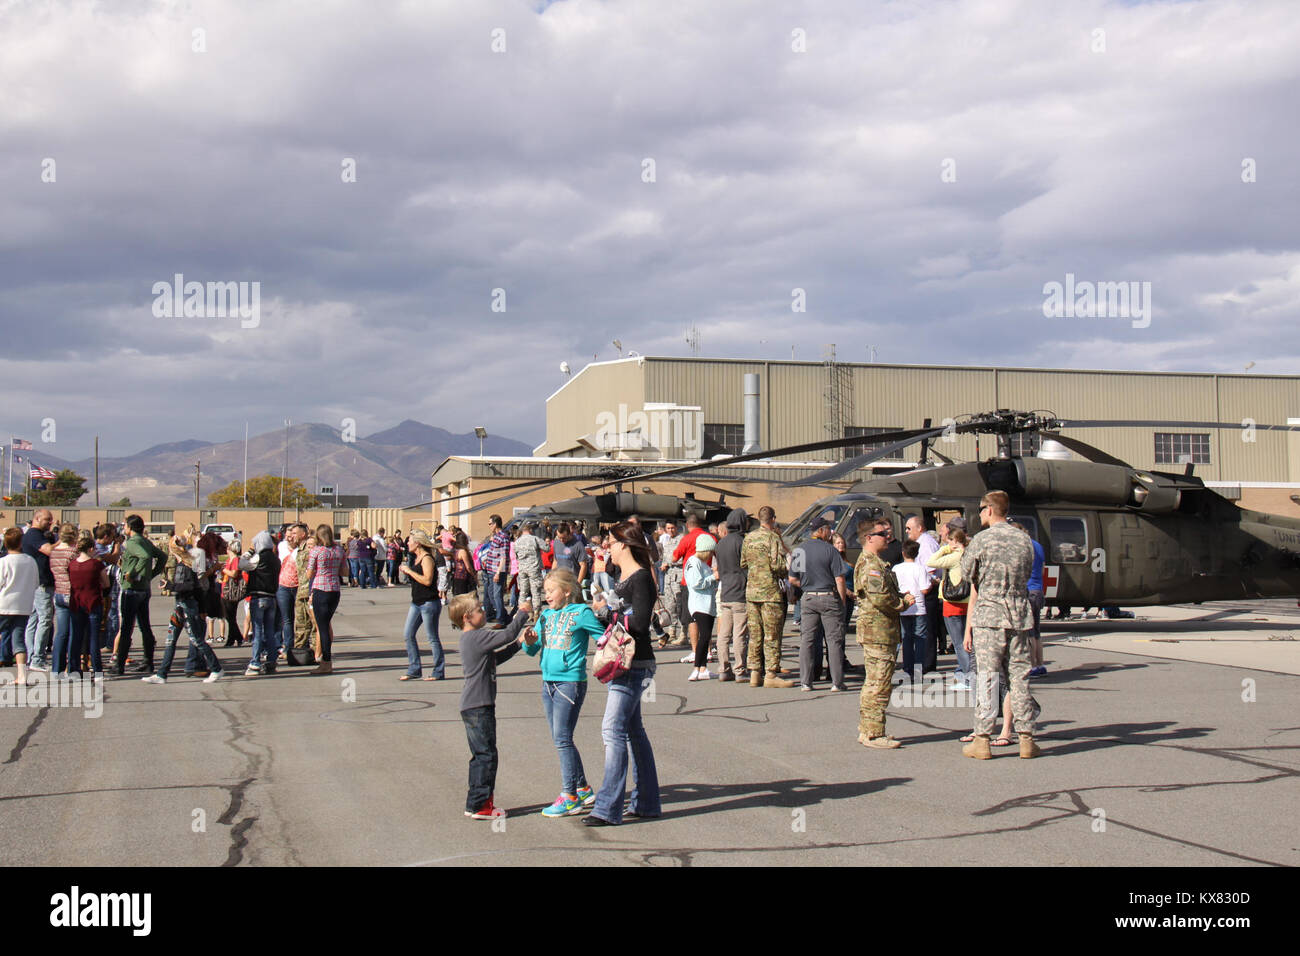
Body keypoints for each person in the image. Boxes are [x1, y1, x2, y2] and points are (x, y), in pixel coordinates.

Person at [584, 521, 662, 826]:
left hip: (635, 662)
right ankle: (647, 803)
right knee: (632, 731)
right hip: (624, 660)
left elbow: (640, 624)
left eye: (611, 543)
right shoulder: (624, 576)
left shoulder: (641, 579)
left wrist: (608, 612)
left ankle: (607, 808)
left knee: (611, 730)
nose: (607, 548)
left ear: (625, 545)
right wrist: (605, 610)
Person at [959, 491, 1042, 760]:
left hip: (989, 617)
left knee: (988, 677)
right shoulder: (1025, 540)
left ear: (991, 510)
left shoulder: (982, 540)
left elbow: (966, 573)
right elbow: (1029, 573)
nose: (980, 514)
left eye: (981, 509)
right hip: (1019, 615)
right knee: (1019, 677)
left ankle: (982, 739)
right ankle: (1027, 738)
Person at [521, 569, 603, 817]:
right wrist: (528, 640)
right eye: (545, 591)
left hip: (570, 682)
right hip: (548, 682)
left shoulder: (581, 613)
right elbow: (531, 650)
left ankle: (569, 796)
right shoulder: (545, 616)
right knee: (561, 737)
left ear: (567, 590)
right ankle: (582, 788)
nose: (547, 596)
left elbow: (603, 638)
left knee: (562, 738)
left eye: (551, 591)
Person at [450, 592, 533, 820]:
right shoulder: (475, 637)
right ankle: (481, 805)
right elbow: (506, 634)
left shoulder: (474, 639)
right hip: (478, 705)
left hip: (476, 705)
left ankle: (475, 803)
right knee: (486, 755)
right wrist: (522, 613)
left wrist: (519, 644)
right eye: (479, 610)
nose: (484, 611)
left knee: (481, 755)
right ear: (467, 617)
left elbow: (495, 658)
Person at [855, 517, 915, 748]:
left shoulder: (876, 562)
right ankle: (874, 733)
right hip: (878, 631)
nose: (887, 537)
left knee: (874, 682)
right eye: (882, 534)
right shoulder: (871, 565)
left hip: (880, 630)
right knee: (879, 683)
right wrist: (903, 603)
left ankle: (868, 729)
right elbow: (880, 598)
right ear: (869, 538)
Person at [144, 533, 224, 684]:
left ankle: (216, 668)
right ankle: (162, 674)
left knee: (197, 640)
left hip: (188, 607)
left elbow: (192, 586)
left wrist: (170, 586)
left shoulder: (187, 565)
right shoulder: (184, 564)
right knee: (171, 640)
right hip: (180, 606)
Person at [790, 517, 848, 692]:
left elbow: (793, 578)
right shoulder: (830, 550)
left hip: (808, 598)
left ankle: (806, 682)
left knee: (807, 640)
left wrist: (807, 585)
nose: (830, 533)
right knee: (833, 640)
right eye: (828, 530)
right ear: (821, 531)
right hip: (828, 595)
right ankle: (837, 682)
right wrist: (842, 601)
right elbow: (839, 578)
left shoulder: (800, 550)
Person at [741, 506, 793, 688]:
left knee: (755, 634)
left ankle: (755, 672)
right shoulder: (773, 538)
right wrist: (787, 566)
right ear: (773, 519)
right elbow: (777, 565)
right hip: (770, 592)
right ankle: (770, 673)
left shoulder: (749, 538)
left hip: (752, 592)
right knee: (772, 634)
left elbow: (743, 562)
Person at [113, 514, 167, 675]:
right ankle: (148, 661)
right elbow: (162, 556)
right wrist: (151, 574)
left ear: (130, 527)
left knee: (126, 627)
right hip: (144, 588)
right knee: (145, 626)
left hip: (131, 588)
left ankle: (119, 665)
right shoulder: (145, 541)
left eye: (125, 525)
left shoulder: (133, 542)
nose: (124, 528)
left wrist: (132, 572)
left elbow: (144, 556)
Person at [927, 525, 971, 689]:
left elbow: (931, 562)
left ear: (955, 541)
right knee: (968, 641)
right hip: (968, 601)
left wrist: (945, 550)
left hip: (953, 602)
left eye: (949, 540)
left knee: (959, 643)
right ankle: (968, 673)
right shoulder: (969, 555)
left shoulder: (954, 557)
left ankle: (968, 677)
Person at [399, 529, 445, 680]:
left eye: (410, 541)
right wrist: (408, 571)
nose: (407, 543)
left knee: (432, 638)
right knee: (408, 634)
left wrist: (410, 572)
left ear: (417, 543)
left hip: (429, 603)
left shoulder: (427, 558)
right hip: (417, 602)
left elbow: (427, 580)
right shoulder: (416, 558)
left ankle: (438, 671)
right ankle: (414, 668)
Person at [0, 526, 39, 686]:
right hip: (23, 605)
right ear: (21, 542)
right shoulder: (30, 561)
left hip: (4, 604)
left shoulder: (3, 562)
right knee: (19, 639)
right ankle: (22, 675)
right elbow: (36, 583)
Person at [66, 532, 109, 679]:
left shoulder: (72, 565)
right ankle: (96, 669)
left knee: (76, 636)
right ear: (91, 549)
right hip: (93, 601)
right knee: (93, 637)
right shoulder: (96, 564)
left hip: (76, 602)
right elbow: (106, 583)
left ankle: (73, 668)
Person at [713, 508, 749, 682]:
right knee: (739, 633)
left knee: (723, 634)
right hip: (740, 591)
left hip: (725, 590)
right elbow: (747, 566)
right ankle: (740, 669)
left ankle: (723, 668)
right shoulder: (742, 542)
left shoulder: (721, 543)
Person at [239, 531, 281, 677]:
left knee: (257, 631)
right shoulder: (276, 559)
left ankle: (255, 663)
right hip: (272, 597)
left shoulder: (258, 557)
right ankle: (271, 661)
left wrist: (248, 552)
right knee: (270, 631)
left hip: (258, 596)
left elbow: (242, 564)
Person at [905, 514, 944, 668]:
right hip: (924, 590)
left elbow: (930, 570)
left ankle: (927, 665)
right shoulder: (921, 542)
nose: (907, 531)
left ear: (919, 528)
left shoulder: (925, 544)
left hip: (927, 591)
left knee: (927, 630)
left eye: (909, 528)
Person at [305, 525, 344, 675]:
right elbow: (345, 571)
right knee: (326, 624)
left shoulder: (316, 551)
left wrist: (317, 569)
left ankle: (326, 661)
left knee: (322, 628)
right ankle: (325, 660)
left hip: (320, 588)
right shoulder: (339, 550)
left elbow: (309, 574)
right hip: (334, 589)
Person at [21, 508, 56, 672]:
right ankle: (37, 659)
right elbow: (49, 550)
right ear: (37, 519)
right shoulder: (34, 534)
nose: (50, 523)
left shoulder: (37, 535)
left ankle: (31, 657)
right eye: (47, 520)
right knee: (44, 620)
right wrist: (63, 542)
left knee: (33, 621)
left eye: (51, 520)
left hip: (36, 584)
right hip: (41, 584)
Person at [893, 540, 931, 683]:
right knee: (920, 638)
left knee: (906, 638)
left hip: (904, 607)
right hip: (919, 607)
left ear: (903, 553)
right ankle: (918, 669)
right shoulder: (920, 568)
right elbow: (924, 589)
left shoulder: (897, 568)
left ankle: (907, 668)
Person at [683, 532, 719, 681]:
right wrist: (713, 577)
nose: (711, 555)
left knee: (707, 635)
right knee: (703, 636)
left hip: (708, 604)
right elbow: (696, 583)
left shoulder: (703, 564)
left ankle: (703, 668)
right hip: (699, 605)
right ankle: (696, 668)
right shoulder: (694, 562)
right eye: (710, 552)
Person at [48, 525, 78, 676]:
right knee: (74, 632)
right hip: (71, 593)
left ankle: (56, 668)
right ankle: (72, 667)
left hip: (58, 592)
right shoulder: (73, 553)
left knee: (61, 632)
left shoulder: (54, 553)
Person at [656, 520, 685, 646]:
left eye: (673, 528)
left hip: (678, 576)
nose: (671, 530)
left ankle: (684, 633)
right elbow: (665, 557)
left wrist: (669, 563)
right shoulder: (667, 542)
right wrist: (664, 563)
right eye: (668, 528)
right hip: (668, 577)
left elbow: (682, 557)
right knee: (670, 606)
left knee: (681, 606)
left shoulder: (681, 540)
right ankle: (671, 632)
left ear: (677, 528)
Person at [480, 515, 512, 625]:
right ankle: (504, 616)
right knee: (491, 594)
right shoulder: (495, 536)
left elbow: (504, 556)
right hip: (490, 569)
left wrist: (498, 572)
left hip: (497, 571)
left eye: (490, 524)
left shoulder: (503, 537)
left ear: (495, 524)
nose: (489, 526)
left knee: (497, 595)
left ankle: (501, 620)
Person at [513, 521, 545, 620]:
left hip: (522, 569)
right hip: (534, 568)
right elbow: (546, 548)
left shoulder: (517, 542)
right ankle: (536, 611)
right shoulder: (535, 539)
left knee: (523, 591)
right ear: (530, 530)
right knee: (535, 591)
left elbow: (516, 555)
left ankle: (521, 611)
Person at [450, 531, 476, 596]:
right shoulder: (463, 551)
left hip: (457, 577)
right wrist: (474, 576)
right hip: (463, 577)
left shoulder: (456, 550)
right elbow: (468, 567)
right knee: (464, 598)